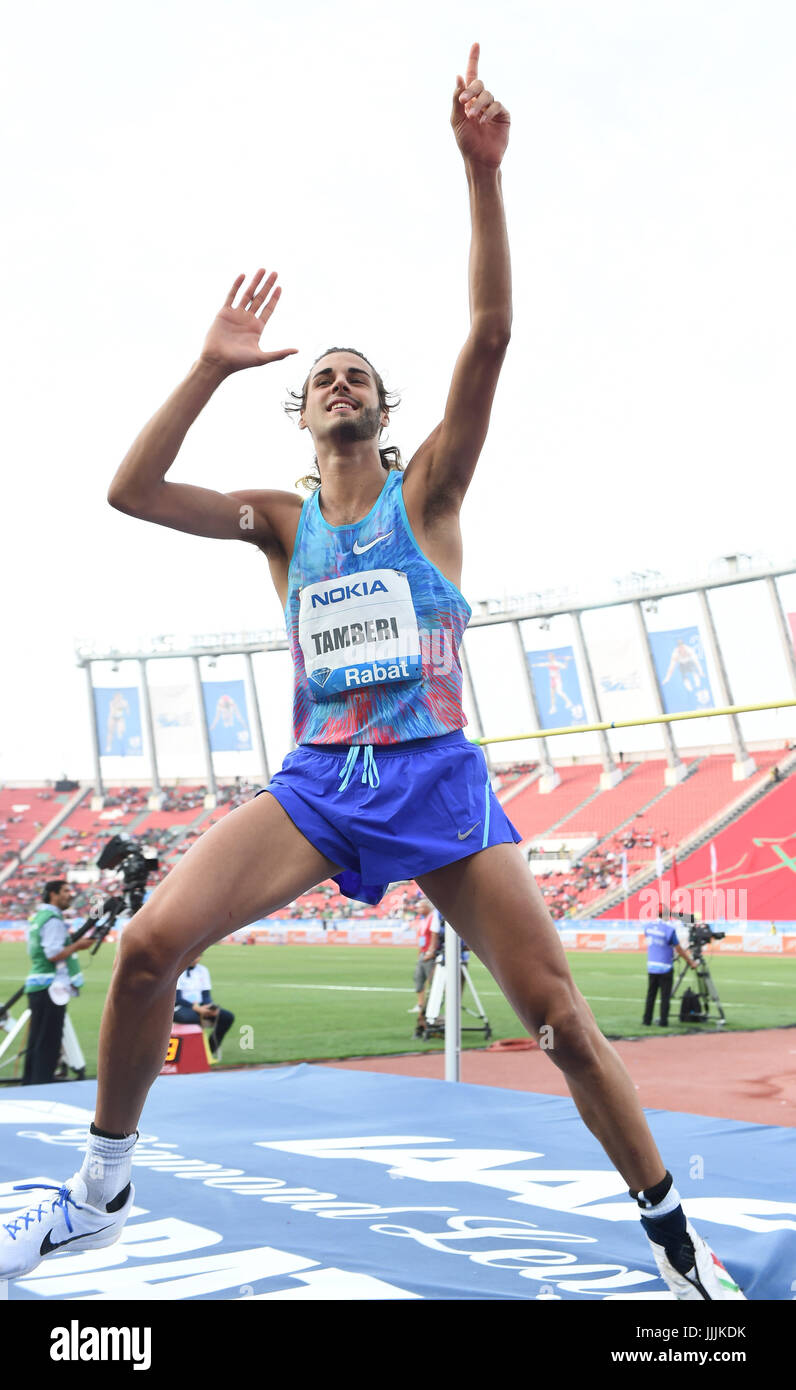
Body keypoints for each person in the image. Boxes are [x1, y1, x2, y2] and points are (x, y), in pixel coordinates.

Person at [0, 44, 744, 1301]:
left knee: (560, 1022)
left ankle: (677, 1245)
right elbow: (128, 492)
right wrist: (211, 363)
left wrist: (481, 175)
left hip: (440, 785)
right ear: (298, 418)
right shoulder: (276, 525)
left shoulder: (427, 492)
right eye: (317, 377)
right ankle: (99, 1195)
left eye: (356, 373)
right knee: (141, 951)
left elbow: (494, 333)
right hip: (320, 787)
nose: (336, 381)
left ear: (384, 413)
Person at [21, 881, 93, 1085]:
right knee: (49, 1040)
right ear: (53, 894)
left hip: (40, 983)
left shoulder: (40, 917)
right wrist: (78, 945)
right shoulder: (53, 920)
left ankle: (31, 1082)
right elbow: (52, 954)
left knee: (38, 1039)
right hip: (51, 986)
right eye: (65, 891)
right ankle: (41, 1084)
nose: (70, 895)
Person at [174, 953, 234, 1057]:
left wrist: (209, 1007)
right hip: (181, 1007)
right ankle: (191, 1052)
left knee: (227, 1017)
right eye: (193, 955)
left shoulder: (203, 970)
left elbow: (206, 995)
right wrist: (196, 1008)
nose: (195, 958)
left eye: (198, 955)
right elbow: (177, 998)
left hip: (201, 1006)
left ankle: (209, 1051)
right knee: (194, 1019)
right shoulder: (178, 970)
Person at [643, 915, 697, 1027]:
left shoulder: (648, 926)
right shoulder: (669, 929)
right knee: (665, 996)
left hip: (652, 966)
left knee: (651, 995)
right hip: (665, 967)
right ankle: (663, 1021)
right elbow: (678, 948)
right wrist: (690, 962)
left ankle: (646, 1020)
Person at [409, 902, 441, 1024]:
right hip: (423, 953)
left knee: (432, 982)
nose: (418, 909)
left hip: (430, 954)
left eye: (420, 907)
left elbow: (434, 934)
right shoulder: (424, 920)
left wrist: (431, 951)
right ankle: (420, 1004)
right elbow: (422, 938)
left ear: (427, 907)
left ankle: (432, 1008)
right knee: (418, 978)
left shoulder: (433, 917)